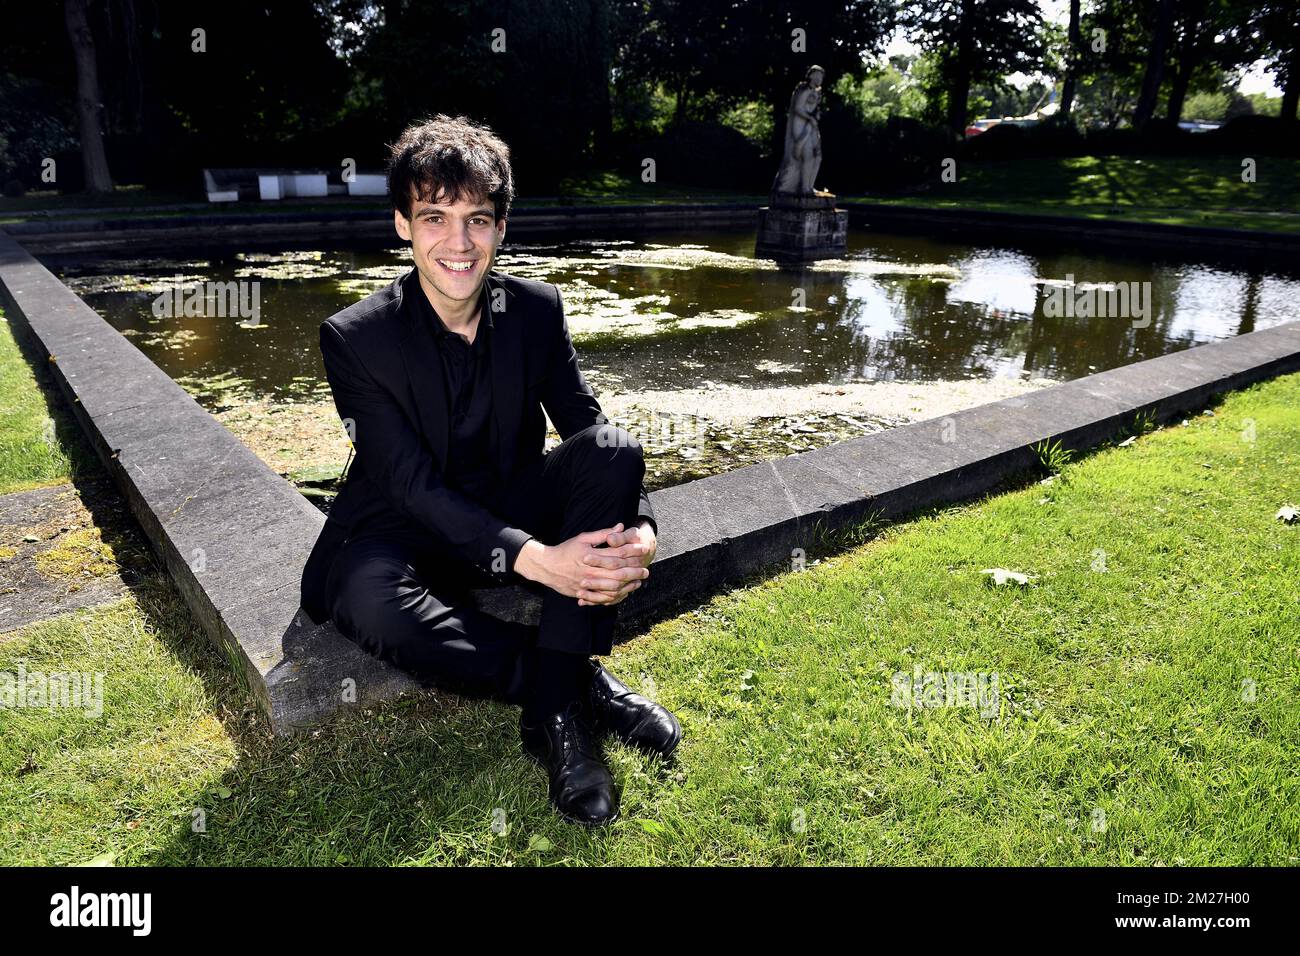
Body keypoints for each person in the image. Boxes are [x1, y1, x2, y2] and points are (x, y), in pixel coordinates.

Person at [299, 114, 681, 826]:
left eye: (478, 219)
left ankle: (550, 717)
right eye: (435, 217)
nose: (459, 242)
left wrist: (645, 528)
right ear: (402, 226)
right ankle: (572, 687)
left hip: (506, 501)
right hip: (402, 523)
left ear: (501, 228)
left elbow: (588, 423)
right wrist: (540, 560)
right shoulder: (356, 338)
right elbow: (410, 485)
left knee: (614, 450)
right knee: (368, 596)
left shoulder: (535, 310)